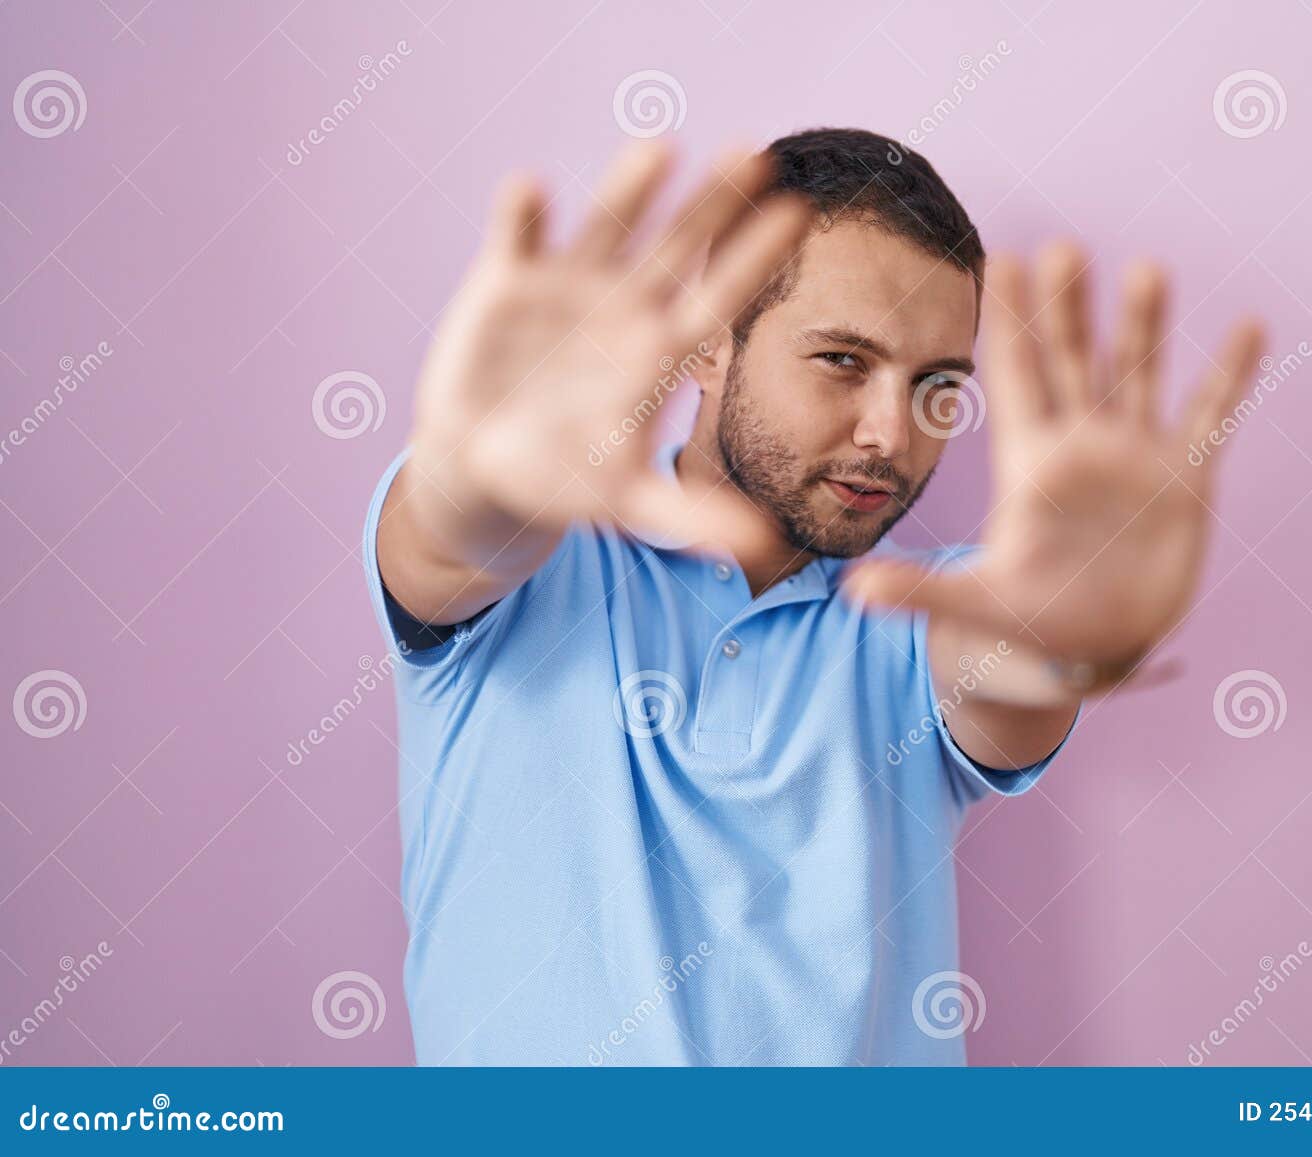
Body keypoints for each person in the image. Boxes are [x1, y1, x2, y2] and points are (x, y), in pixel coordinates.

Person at [362, 126, 1264, 1065]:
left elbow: (1011, 665)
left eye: (937, 387)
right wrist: (473, 472)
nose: (890, 433)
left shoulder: (927, 611)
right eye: (843, 360)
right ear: (710, 348)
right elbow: (450, 535)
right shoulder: (529, 560)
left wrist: (1076, 633)